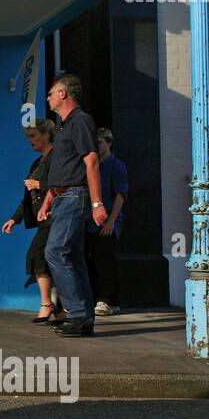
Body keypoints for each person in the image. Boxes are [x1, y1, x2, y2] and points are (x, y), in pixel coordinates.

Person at [36, 74, 108, 336]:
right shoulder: (64, 125)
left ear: (64, 94)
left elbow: (91, 161)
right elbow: (64, 169)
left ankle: (75, 313)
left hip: (75, 197)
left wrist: (97, 203)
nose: (48, 97)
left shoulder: (80, 121)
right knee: (73, 257)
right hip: (62, 197)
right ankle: (84, 318)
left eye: (52, 92)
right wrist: (48, 201)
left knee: (55, 252)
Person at [1, 119, 59, 323]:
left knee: (37, 255)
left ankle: (47, 304)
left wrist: (39, 183)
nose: (30, 141)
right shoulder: (37, 162)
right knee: (49, 259)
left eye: (33, 136)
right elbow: (28, 197)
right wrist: (14, 219)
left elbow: (64, 183)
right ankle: (56, 305)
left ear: (46, 135)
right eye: (28, 137)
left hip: (55, 217)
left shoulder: (55, 158)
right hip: (43, 219)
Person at [87, 127, 128, 316]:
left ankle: (107, 299)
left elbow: (120, 195)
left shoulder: (116, 166)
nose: (97, 146)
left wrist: (112, 221)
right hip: (92, 221)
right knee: (95, 260)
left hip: (108, 221)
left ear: (109, 143)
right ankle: (101, 298)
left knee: (106, 261)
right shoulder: (93, 165)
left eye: (100, 142)